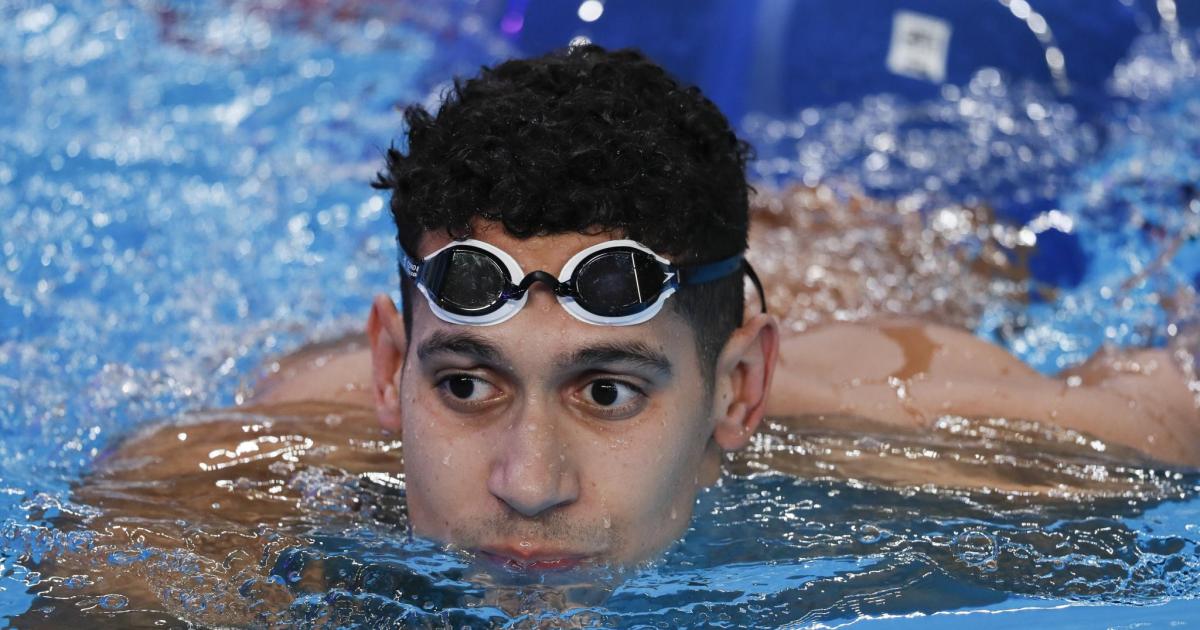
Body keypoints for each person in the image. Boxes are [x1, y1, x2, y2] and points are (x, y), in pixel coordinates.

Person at [76, 44, 1199, 588]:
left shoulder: (978, 447)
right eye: (466, 383)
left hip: (914, 242)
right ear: (387, 365)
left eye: (607, 390)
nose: (528, 481)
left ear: (738, 390)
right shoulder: (249, 466)